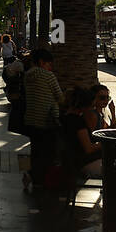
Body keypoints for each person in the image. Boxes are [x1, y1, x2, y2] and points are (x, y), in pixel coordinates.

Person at [22, 48, 63, 190]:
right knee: (47, 152)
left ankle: (32, 175)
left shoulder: (27, 75)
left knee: (35, 150)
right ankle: (40, 178)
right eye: (48, 64)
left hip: (31, 119)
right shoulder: (49, 76)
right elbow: (59, 96)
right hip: (46, 119)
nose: (50, 67)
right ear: (41, 62)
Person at [61, 87, 104, 179]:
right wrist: (103, 145)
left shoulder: (64, 118)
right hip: (83, 163)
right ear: (84, 106)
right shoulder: (78, 122)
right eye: (92, 106)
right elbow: (88, 148)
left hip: (72, 161)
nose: (93, 109)